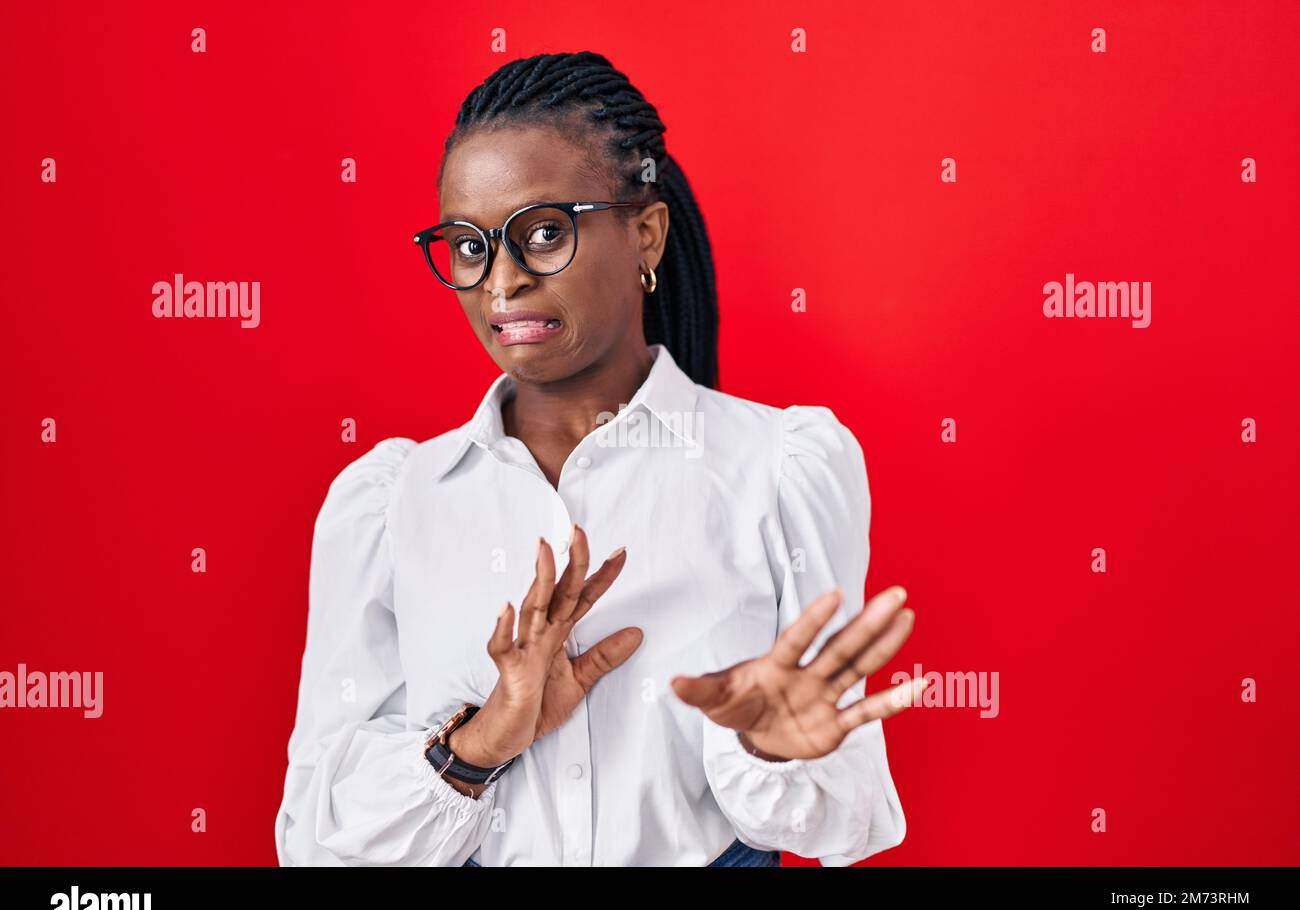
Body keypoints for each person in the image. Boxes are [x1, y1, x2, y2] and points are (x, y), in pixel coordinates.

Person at [274, 50, 925, 867]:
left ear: (644, 233)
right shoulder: (390, 503)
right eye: (469, 247)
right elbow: (312, 841)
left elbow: (845, 822)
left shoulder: (779, 468)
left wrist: (771, 749)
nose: (501, 283)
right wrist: (477, 744)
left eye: (543, 232)